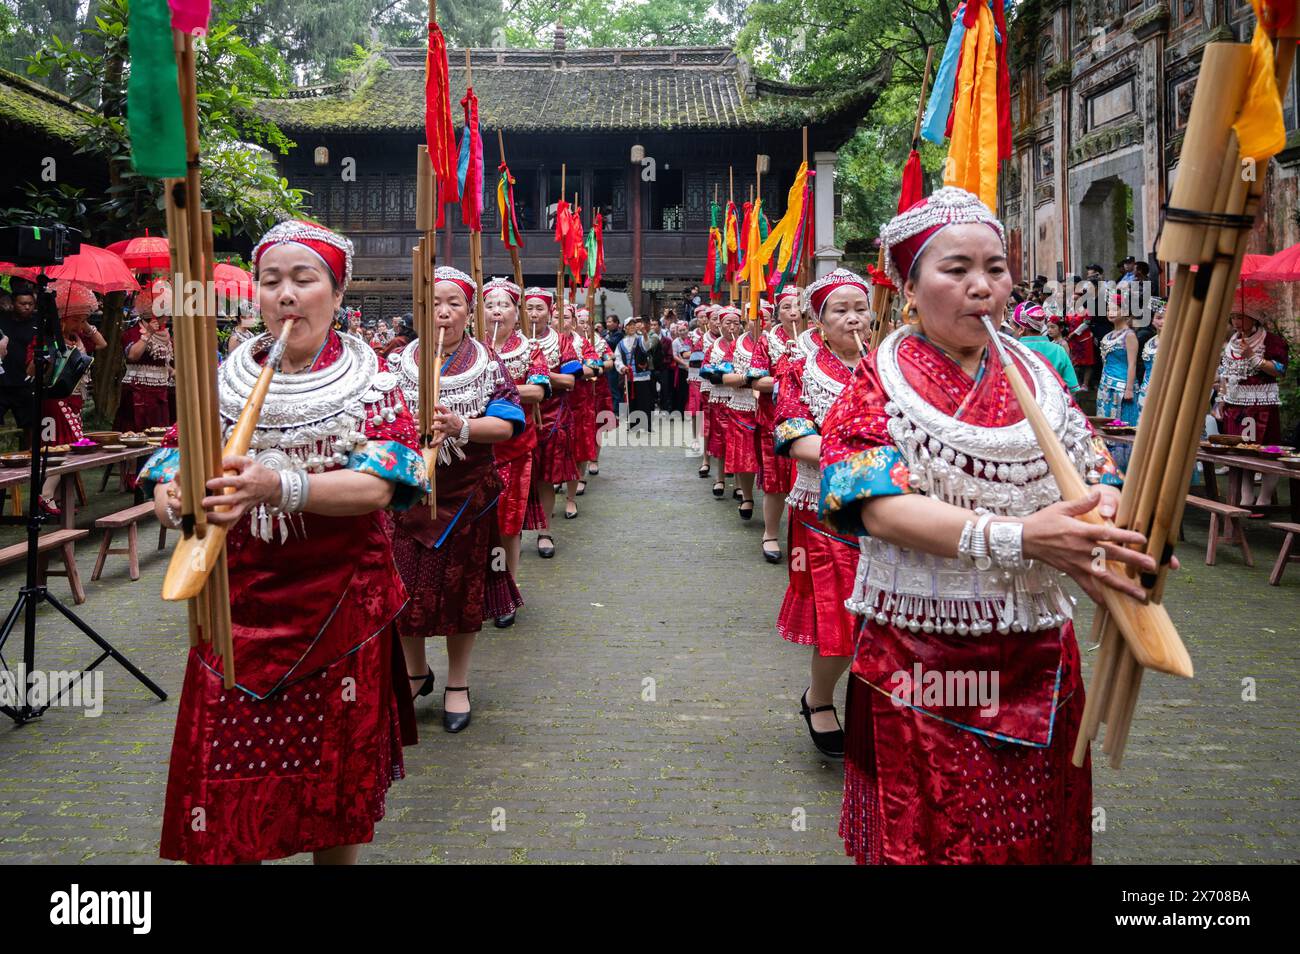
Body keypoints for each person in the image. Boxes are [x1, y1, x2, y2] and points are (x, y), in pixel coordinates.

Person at [819, 187, 1145, 865]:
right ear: (908, 288)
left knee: (1037, 837)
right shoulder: (878, 380)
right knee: (938, 841)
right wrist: (1020, 536)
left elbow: (1095, 472)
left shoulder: (1040, 375)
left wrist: (1107, 514)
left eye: (995, 269)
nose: (981, 287)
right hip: (922, 662)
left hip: (1039, 658)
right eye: (956, 269)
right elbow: (872, 505)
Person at [142, 219, 427, 864]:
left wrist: (279, 486)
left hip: (341, 601)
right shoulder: (216, 381)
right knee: (227, 784)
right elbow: (168, 469)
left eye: (305, 279)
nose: (286, 295)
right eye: (271, 281)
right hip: (232, 605)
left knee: (334, 782)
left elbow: (386, 484)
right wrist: (176, 503)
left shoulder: (375, 379)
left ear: (337, 290)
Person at [389, 266, 525, 733]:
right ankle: (414, 672)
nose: (443, 312)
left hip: (466, 497)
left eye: (454, 304)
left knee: (461, 590)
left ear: (470, 311)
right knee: (402, 591)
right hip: (405, 496)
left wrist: (461, 427)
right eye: (434, 304)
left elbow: (507, 424)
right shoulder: (395, 361)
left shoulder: (488, 362)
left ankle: (458, 682)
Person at [773, 270, 868, 757]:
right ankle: (820, 698)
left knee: (885, 621)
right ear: (819, 319)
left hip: (894, 511)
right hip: (824, 513)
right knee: (842, 619)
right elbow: (793, 437)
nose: (852, 318)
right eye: (839, 310)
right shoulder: (799, 368)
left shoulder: (889, 367)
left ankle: (878, 710)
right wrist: (865, 458)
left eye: (860, 308)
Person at [485, 277, 550, 628]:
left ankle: (506, 588)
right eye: (490, 304)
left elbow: (538, 390)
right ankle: (478, 587)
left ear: (516, 312)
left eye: (504, 305)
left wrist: (489, 389)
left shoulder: (530, 349)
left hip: (515, 449)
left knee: (508, 525)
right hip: (472, 451)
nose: (497, 311)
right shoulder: (468, 349)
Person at [26, 280, 106, 515]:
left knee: (67, 446)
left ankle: (57, 498)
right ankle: (46, 494)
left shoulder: (78, 337)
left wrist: (86, 324)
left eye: (83, 319)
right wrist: (48, 355)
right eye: (76, 319)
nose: (81, 325)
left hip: (75, 400)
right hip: (55, 400)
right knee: (63, 447)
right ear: (62, 318)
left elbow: (102, 344)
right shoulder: (47, 339)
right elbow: (30, 370)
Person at [525, 288, 580, 557]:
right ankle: (509, 534)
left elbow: (570, 380)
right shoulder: (510, 341)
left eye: (539, 309)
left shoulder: (561, 342)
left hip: (551, 416)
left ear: (550, 313)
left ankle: (545, 531)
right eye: (528, 308)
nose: (533, 314)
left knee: (545, 479)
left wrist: (542, 375)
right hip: (516, 416)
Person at [1216, 311, 1289, 508]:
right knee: (1241, 452)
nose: (1236, 322)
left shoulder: (1271, 341)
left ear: (1254, 318)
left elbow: (1280, 370)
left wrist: (1252, 357)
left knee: (1267, 451)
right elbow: (1226, 372)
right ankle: (1246, 497)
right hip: (1235, 405)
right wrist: (1222, 398)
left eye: (1241, 317)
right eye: (1233, 317)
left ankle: (1264, 498)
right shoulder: (1233, 340)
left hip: (1261, 404)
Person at [751, 288, 802, 562]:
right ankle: (771, 533)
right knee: (776, 481)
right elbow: (756, 380)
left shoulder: (818, 340)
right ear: (776, 312)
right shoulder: (768, 342)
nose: (793, 311)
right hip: (774, 419)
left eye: (798, 305)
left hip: (812, 421)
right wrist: (787, 380)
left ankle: (803, 537)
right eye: (786, 307)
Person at [712, 303, 761, 521]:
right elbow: (723, 372)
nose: (759, 322)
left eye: (765, 317)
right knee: (744, 452)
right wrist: (746, 378)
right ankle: (746, 493)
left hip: (770, 407)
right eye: (754, 317)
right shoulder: (737, 345)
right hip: (741, 404)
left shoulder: (777, 342)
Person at [116, 278, 175, 432]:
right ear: (155, 315)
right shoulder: (133, 333)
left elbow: (163, 365)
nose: (168, 317)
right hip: (138, 396)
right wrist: (148, 333)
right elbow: (133, 355)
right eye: (166, 314)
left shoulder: (165, 335)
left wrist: (174, 373)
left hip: (160, 396)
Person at [561, 305, 600, 515]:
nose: (560, 321)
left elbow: (593, 367)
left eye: (565, 317)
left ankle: (571, 497)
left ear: (573, 322)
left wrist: (568, 373)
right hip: (553, 405)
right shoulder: (539, 341)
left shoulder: (581, 342)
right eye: (556, 316)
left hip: (579, 403)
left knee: (579, 450)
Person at [1008, 301, 1081, 393]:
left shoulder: (1010, 351)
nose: (1010, 330)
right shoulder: (1059, 350)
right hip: (1053, 405)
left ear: (1021, 329)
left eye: (1011, 326)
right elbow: (1072, 387)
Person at [0, 281, 38, 439]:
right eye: (23, 303)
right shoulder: (2, 319)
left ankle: (29, 459)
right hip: (2, 382)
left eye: (30, 304)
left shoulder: (37, 323)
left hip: (25, 383)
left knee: (30, 426)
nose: (27, 307)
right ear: (13, 303)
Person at [615, 316, 655, 431]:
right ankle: (633, 425)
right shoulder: (621, 343)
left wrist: (645, 334)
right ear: (625, 328)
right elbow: (617, 359)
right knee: (631, 401)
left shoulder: (640, 339)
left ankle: (646, 425)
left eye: (633, 325)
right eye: (629, 325)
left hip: (642, 376)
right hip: (629, 377)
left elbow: (647, 347)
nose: (631, 327)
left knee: (644, 400)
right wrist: (622, 368)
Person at [1136, 297, 1165, 415]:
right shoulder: (1150, 341)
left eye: (1167, 318)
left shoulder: (1177, 342)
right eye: (1159, 318)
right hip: (1145, 390)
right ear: (1152, 320)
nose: (1162, 322)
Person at [603, 314, 625, 413]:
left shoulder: (619, 334)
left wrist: (602, 340)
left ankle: (617, 411)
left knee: (615, 388)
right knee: (610, 388)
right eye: (607, 322)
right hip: (608, 363)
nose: (608, 324)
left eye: (610, 322)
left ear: (616, 323)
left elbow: (611, 343)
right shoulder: (607, 333)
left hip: (616, 364)